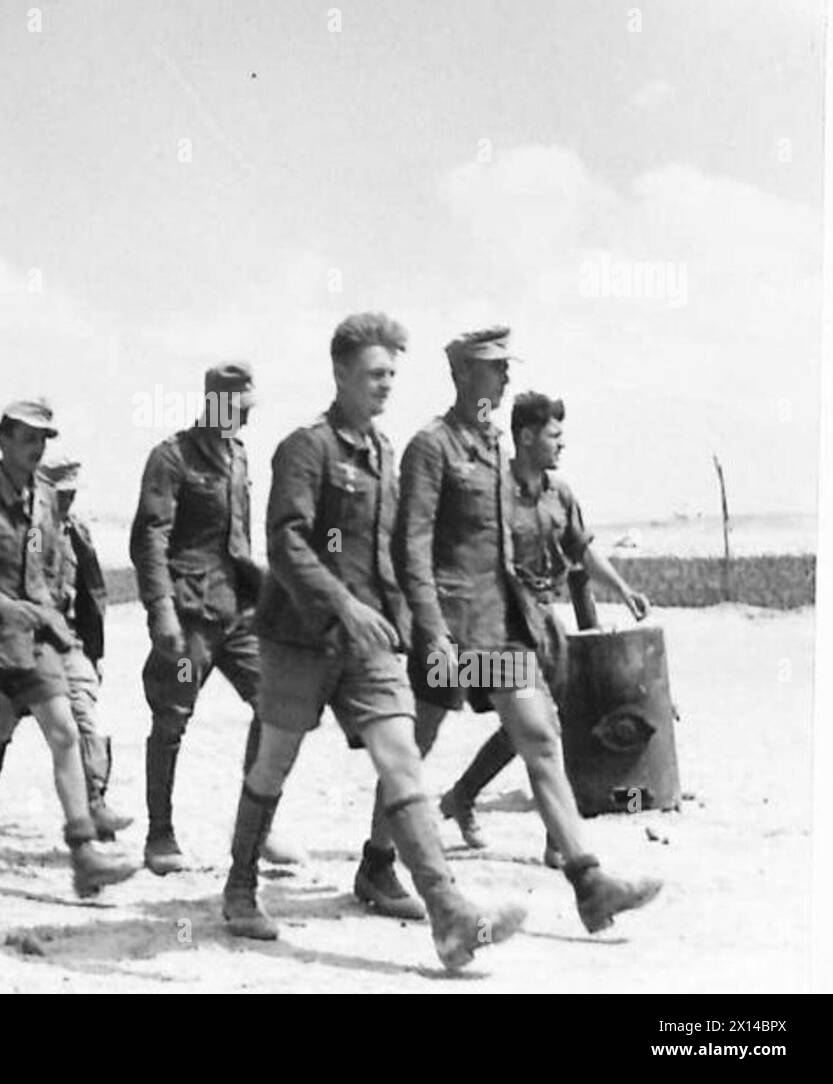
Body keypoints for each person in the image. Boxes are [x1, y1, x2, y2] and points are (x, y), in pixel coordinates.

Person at [221, 315, 525, 972]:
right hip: (300, 638)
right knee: (273, 763)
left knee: (401, 759)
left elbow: (393, 552)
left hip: (370, 645)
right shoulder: (306, 448)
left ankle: (448, 912)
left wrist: (415, 630)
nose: (386, 385)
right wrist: (343, 605)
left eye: (392, 374)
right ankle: (240, 889)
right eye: (374, 373)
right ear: (340, 374)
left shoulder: (385, 452)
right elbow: (288, 540)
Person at [397, 328, 661, 935]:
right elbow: (411, 547)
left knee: (541, 736)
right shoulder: (430, 448)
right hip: (449, 632)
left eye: (506, 368)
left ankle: (589, 883)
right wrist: (430, 630)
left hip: (500, 632)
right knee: (413, 752)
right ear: (465, 374)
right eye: (495, 369)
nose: (505, 378)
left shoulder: (495, 452)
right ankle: (378, 861)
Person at [0, 399, 137, 896]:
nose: (36, 450)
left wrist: (52, 621)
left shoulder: (44, 499)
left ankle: (83, 854)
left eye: (42, 441)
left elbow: (39, 568)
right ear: (2, 441)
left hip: (30, 640)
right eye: (27, 439)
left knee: (63, 732)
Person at [433, 391, 650, 864]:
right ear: (526, 436)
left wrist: (623, 589)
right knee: (540, 723)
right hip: (500, 620)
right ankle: (558, 842)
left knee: (533, 727)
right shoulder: (493, 493)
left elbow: (582, 550)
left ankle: (463, 797)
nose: (561, 444)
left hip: (543, 625)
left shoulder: (559, 492)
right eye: (554, 435)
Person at [130, 362, 299, 875]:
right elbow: (149, 538)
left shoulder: (239, 456)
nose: (246, 419)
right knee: (172, 719)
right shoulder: (172, 458)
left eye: (250, 409)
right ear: (217, 402)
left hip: (238, 612)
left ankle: (257, 828)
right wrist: (161, 613)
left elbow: (239, 540)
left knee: (276, 704)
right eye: (240, 408)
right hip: (189, 618)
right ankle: (160, 835)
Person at [0, 457, 133, 839]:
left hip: (67, 641)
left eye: (72, 493)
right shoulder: (30, 531)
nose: (68, 501)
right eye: (62, 493)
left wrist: (94, 653)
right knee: (2, 724)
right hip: (22, 643)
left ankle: (95, 803)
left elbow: (93, 594)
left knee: (85, 716)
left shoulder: (77, 532)